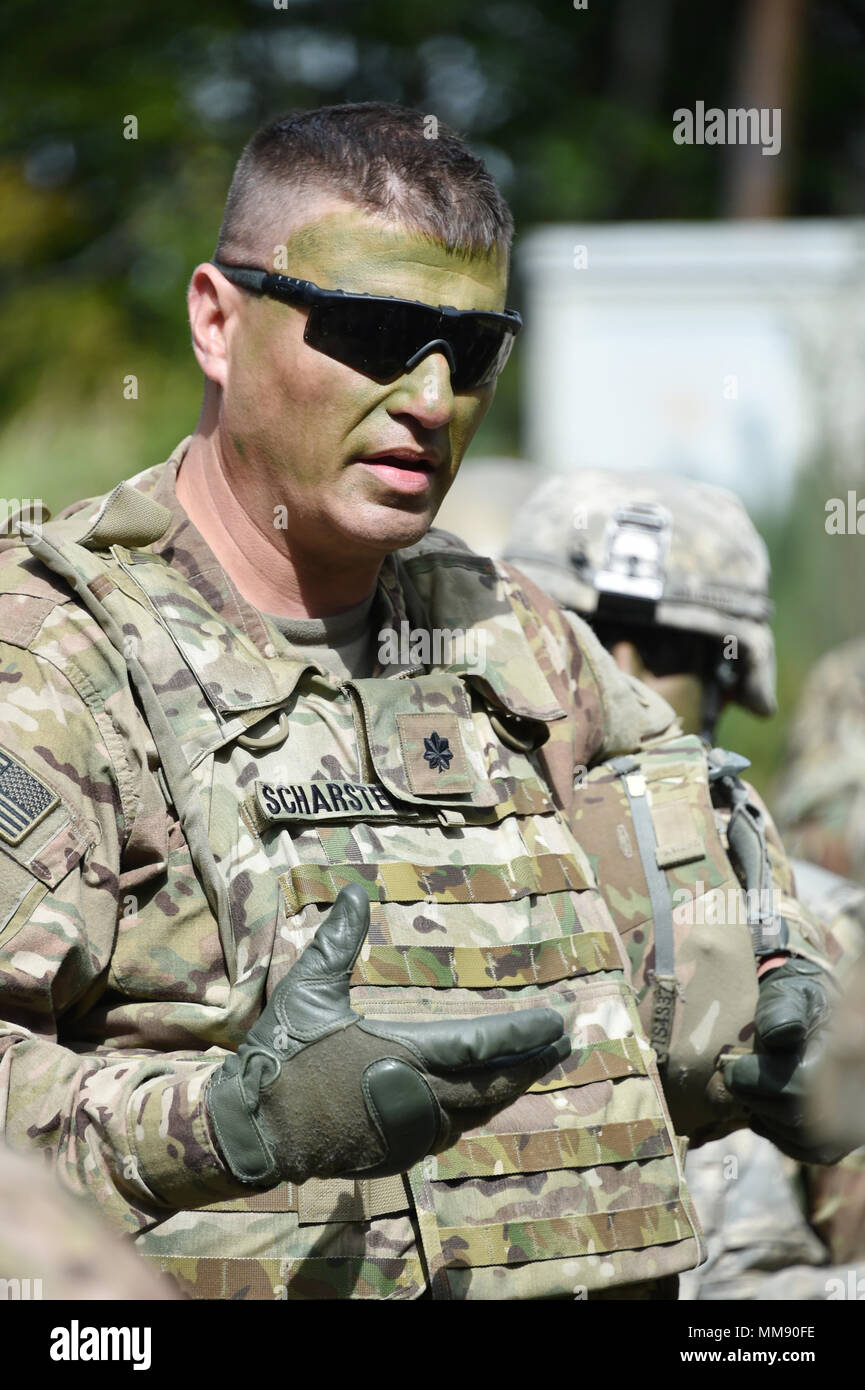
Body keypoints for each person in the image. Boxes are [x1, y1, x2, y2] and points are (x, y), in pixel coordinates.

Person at [0, 104, 837, 1302]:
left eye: (474, 348)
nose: (432, 398)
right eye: (377, 332)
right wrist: (227, 1123)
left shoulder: (517, 635)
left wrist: (788, 975)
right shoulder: (56, 660)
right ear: (216, 319)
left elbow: (735, 877)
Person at [503, 468, 865, 1298]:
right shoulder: (443, 902)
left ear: (725, 682)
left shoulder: (824, 937)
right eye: (579, 635)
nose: (616, 674)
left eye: (663, 649)